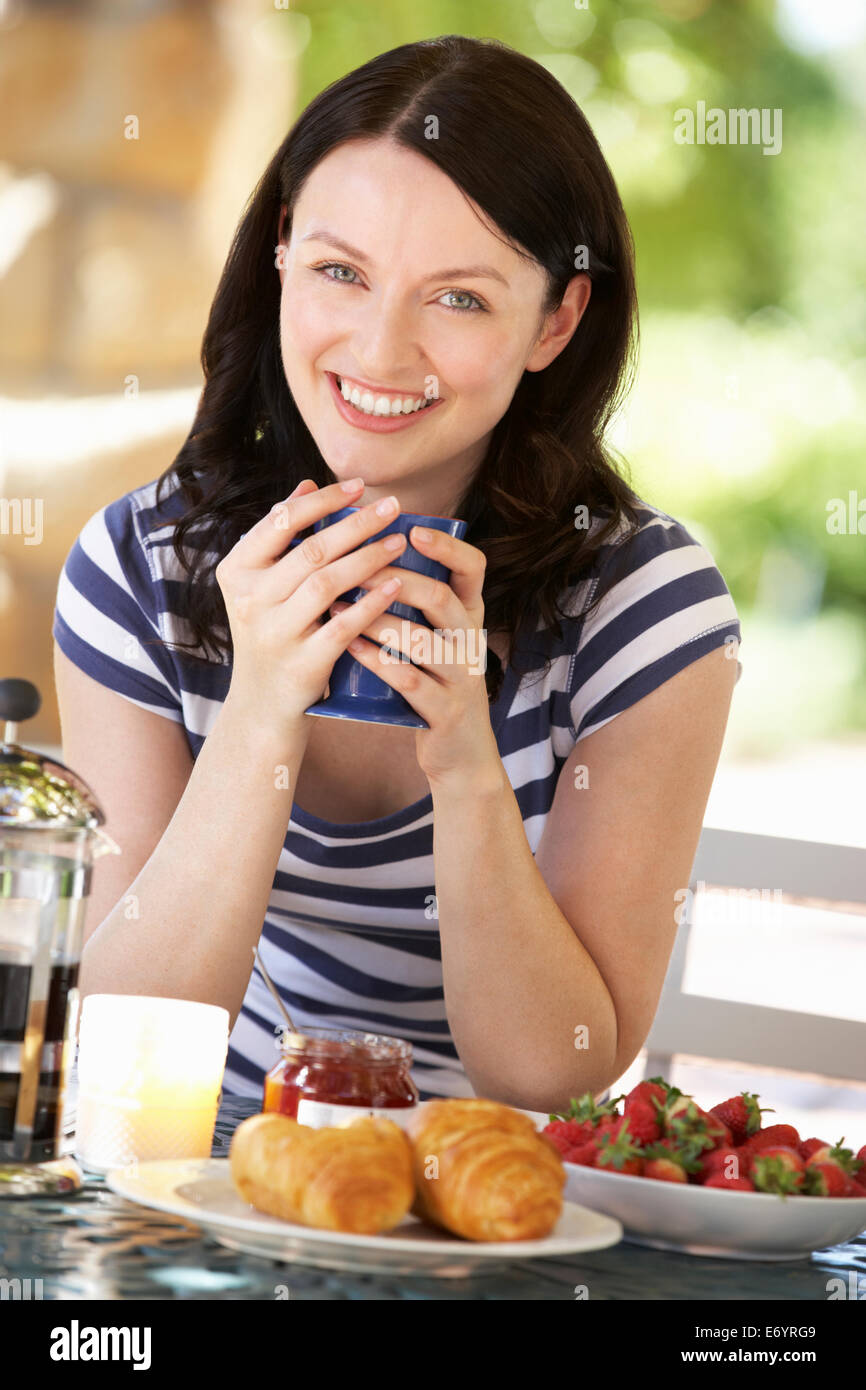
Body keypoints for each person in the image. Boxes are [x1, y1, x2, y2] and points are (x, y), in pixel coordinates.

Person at [52, 35, 741, 1113]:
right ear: (281, 252)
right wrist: (258, 713)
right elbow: (123, 1032)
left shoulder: (642, 609)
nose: (377, 352)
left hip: (482, 1218)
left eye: (457, 298)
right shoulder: (144, 570)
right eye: (340, 271)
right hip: (199, 1192)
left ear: (555, 320)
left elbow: (553, 1068)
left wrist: (466, 762)